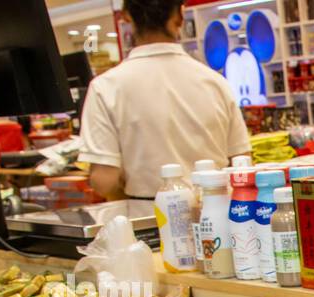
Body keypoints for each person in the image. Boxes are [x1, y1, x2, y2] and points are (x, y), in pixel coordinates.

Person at [78, 0, 251, 200]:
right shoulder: (215, 82)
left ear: (125, 16)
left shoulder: (106, 87)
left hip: (146, 217)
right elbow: (242, 162)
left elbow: (103, 180)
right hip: (216, 210)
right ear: (180, 15)